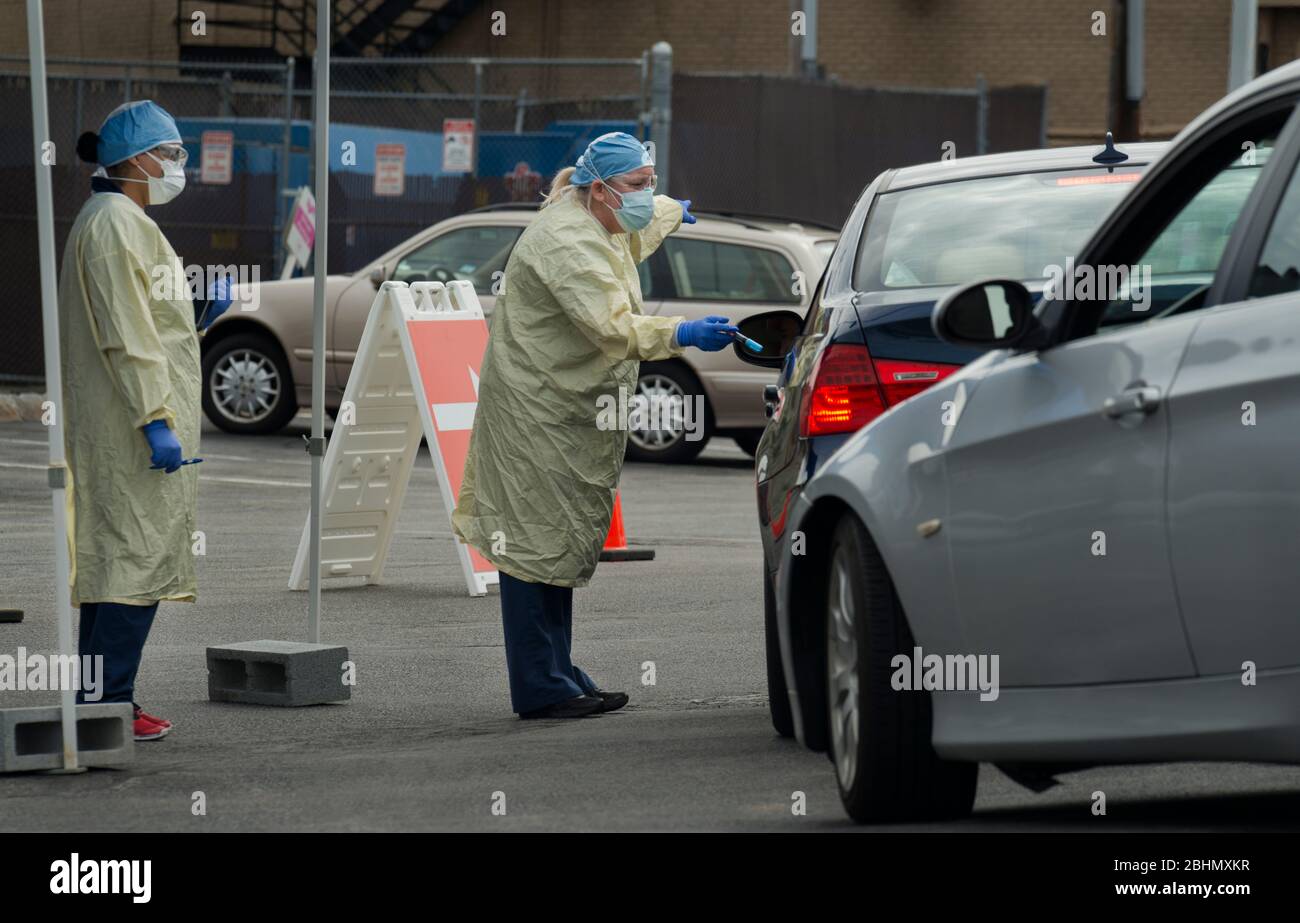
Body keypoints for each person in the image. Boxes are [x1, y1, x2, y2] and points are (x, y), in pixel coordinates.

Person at [452, 132, 738, 720]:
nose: (647, 193)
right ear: (602, 189)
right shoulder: (566, 243)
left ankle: (558, 671)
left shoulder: (598, 219)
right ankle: (541, 685)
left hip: (565, 412)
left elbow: (637, 230)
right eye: (638, 184)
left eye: (652, 182)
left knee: (554, 546)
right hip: (538, 415)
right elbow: (611, 325)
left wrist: (671, 211)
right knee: (531, 548)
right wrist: (681, 332)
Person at [59, 100, 231, 741]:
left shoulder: (119, 220)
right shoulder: (114, 224)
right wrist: (155, 419)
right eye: (170, 153)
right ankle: (108, 703)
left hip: (125, 422)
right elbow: (127, 336)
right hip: (131, 426)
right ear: (134, 159)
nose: (177, 165)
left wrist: (196, 312)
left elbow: (144, 318)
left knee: (116, 563)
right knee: (133, 562)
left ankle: (99, 700)